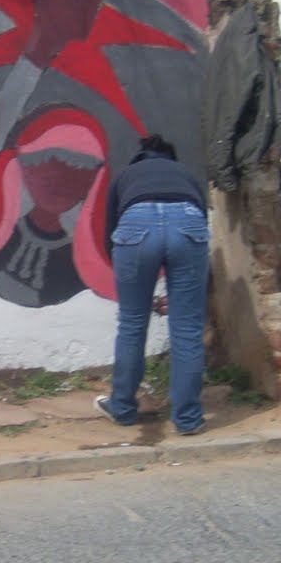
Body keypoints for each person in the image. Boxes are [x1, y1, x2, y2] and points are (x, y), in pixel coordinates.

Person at [95, 133, 210, 436]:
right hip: (188, 224)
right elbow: (202, 223)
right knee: (187, 327)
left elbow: (110, 234)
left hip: (136, 224)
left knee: (132, 323)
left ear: (141, 157)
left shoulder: (126, 175)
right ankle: (187, 419)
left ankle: (122, 408)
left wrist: (132, 280)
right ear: (170, 158)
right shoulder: (185, 174)